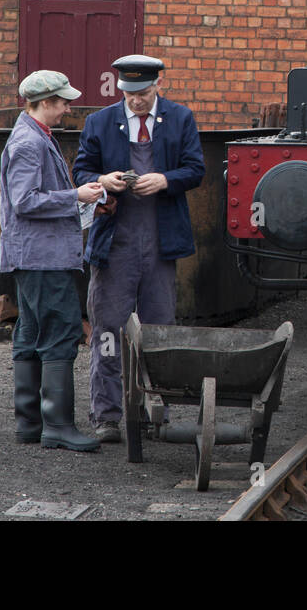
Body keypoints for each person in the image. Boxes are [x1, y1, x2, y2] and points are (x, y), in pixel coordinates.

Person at [73, 55, 205, 443]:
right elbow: (80, 171)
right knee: (107, 330)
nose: (136, 100)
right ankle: (107, 416)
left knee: (158, 331)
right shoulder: (99, 122)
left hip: (161, 243)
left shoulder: (180, 119)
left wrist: (165, 180)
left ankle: (154, 414)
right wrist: (103, 180)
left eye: (144, 93)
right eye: (129, 94)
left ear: (158, 85)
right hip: (114, 243)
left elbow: (196, 169)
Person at [0, 70, 107, 453]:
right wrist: (76, 196)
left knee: (30, 334)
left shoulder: (35, 136)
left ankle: (30, 424)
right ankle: (58, 426)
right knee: (60, 332)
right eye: (62, 102)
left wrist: (82, 198)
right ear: (45, 102)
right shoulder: (30, 142)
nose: (66, 109)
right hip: (44, 258)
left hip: (34, 257)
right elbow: (25, 201)